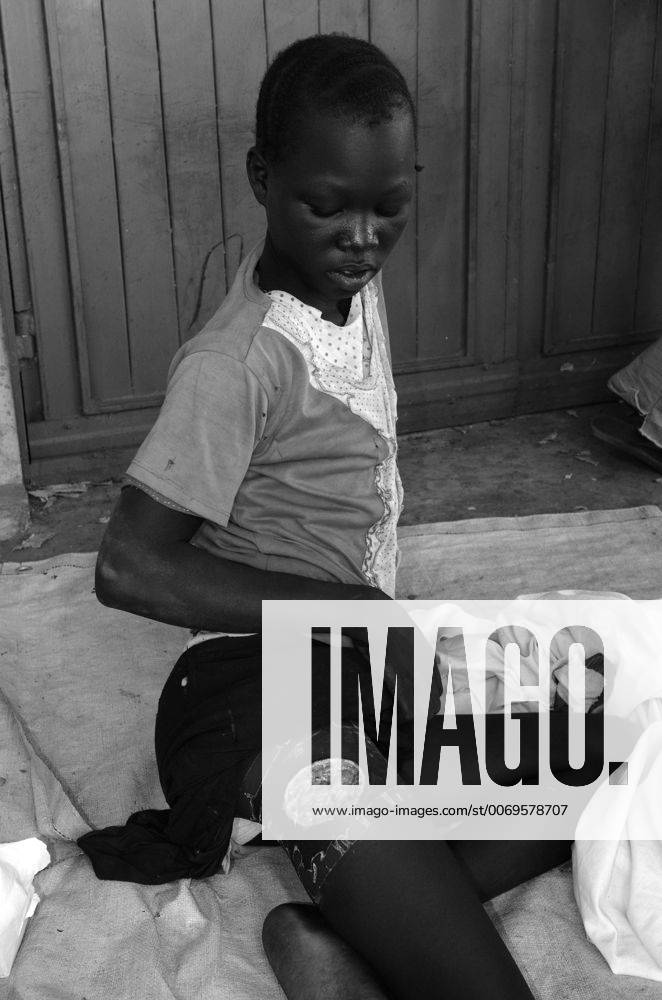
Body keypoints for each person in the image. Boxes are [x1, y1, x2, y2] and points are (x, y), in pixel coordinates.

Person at [79, 34, 574, 1000]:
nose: (362, 236)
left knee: (594, 762)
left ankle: (347, 941)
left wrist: (364, 623)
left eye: (388, 207)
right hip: (243, 682)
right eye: (328, 205)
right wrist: (346, 606)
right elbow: (128, 566)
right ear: (262, 178)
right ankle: (387, 911)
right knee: (352, 801)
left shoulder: (345, 277)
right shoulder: (237, 363)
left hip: (357, 665)